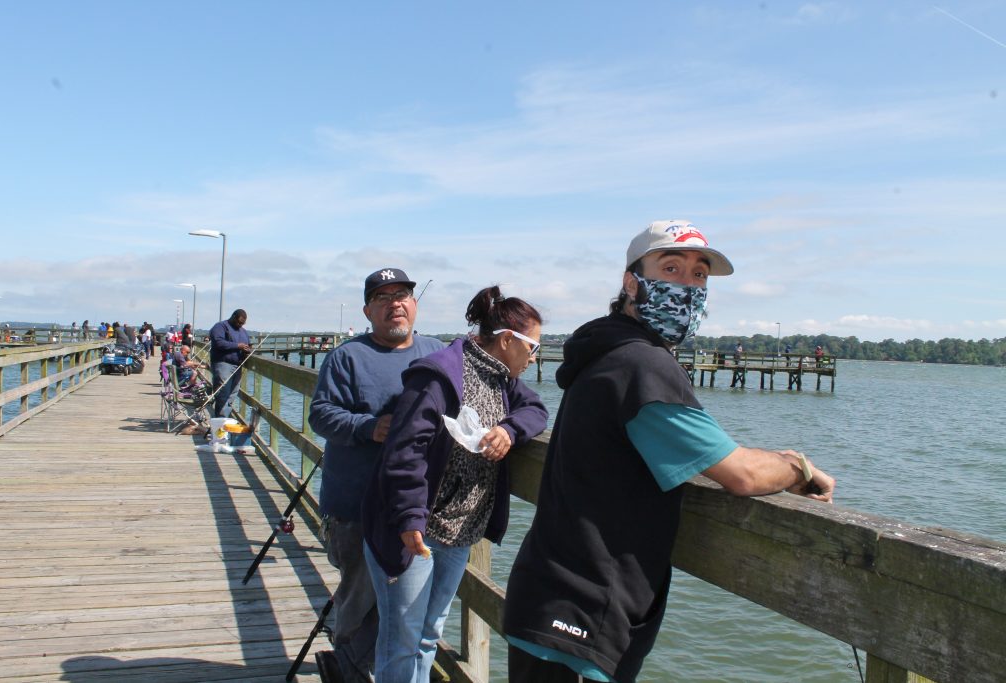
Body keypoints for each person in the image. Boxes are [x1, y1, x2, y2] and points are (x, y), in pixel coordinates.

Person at [502, 219, 835, 683]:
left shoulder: (607, 351)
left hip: (550, 593)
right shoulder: (642, 366)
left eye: (699, 275)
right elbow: (742, 475)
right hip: (582, 612)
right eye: (671, 267)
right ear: (630, 282)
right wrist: (796, 466)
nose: (688, 284)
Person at [362, 286, 549, 683]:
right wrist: (409, 518)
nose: (534, 359)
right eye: (531, 348)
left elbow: (537, 409)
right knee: (403, 639)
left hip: (462, 531)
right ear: (506, 340)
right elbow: (405, 451)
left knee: (429, 634)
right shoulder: (439, 376)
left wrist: (510, 429)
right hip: (415, 531)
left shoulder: (503, 379)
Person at [308, 268, 444, 683]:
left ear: (415, 304)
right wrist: (371, 427)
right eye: (383, 298)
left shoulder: (438, 353)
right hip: (356, 505)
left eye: (402, 294)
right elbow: (321, 414)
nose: (394, 304)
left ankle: (348, 666)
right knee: (359, 598)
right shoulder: (346, 357)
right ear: (369, 310)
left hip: (418, 509)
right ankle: (347, 666)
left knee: (412, 607)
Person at [208, 310, 252, 418]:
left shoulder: (244, 332)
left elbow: (247, 344)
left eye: (242, 323)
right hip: (223, 363)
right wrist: (238, 346)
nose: (240, 325)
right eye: (238, 322)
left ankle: (225, 419)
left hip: (237, 365)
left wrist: (247, 349)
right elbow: (218, 343)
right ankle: (220, 422)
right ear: (233, 317)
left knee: (232, 394)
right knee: (223, 393)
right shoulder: (220, 327)